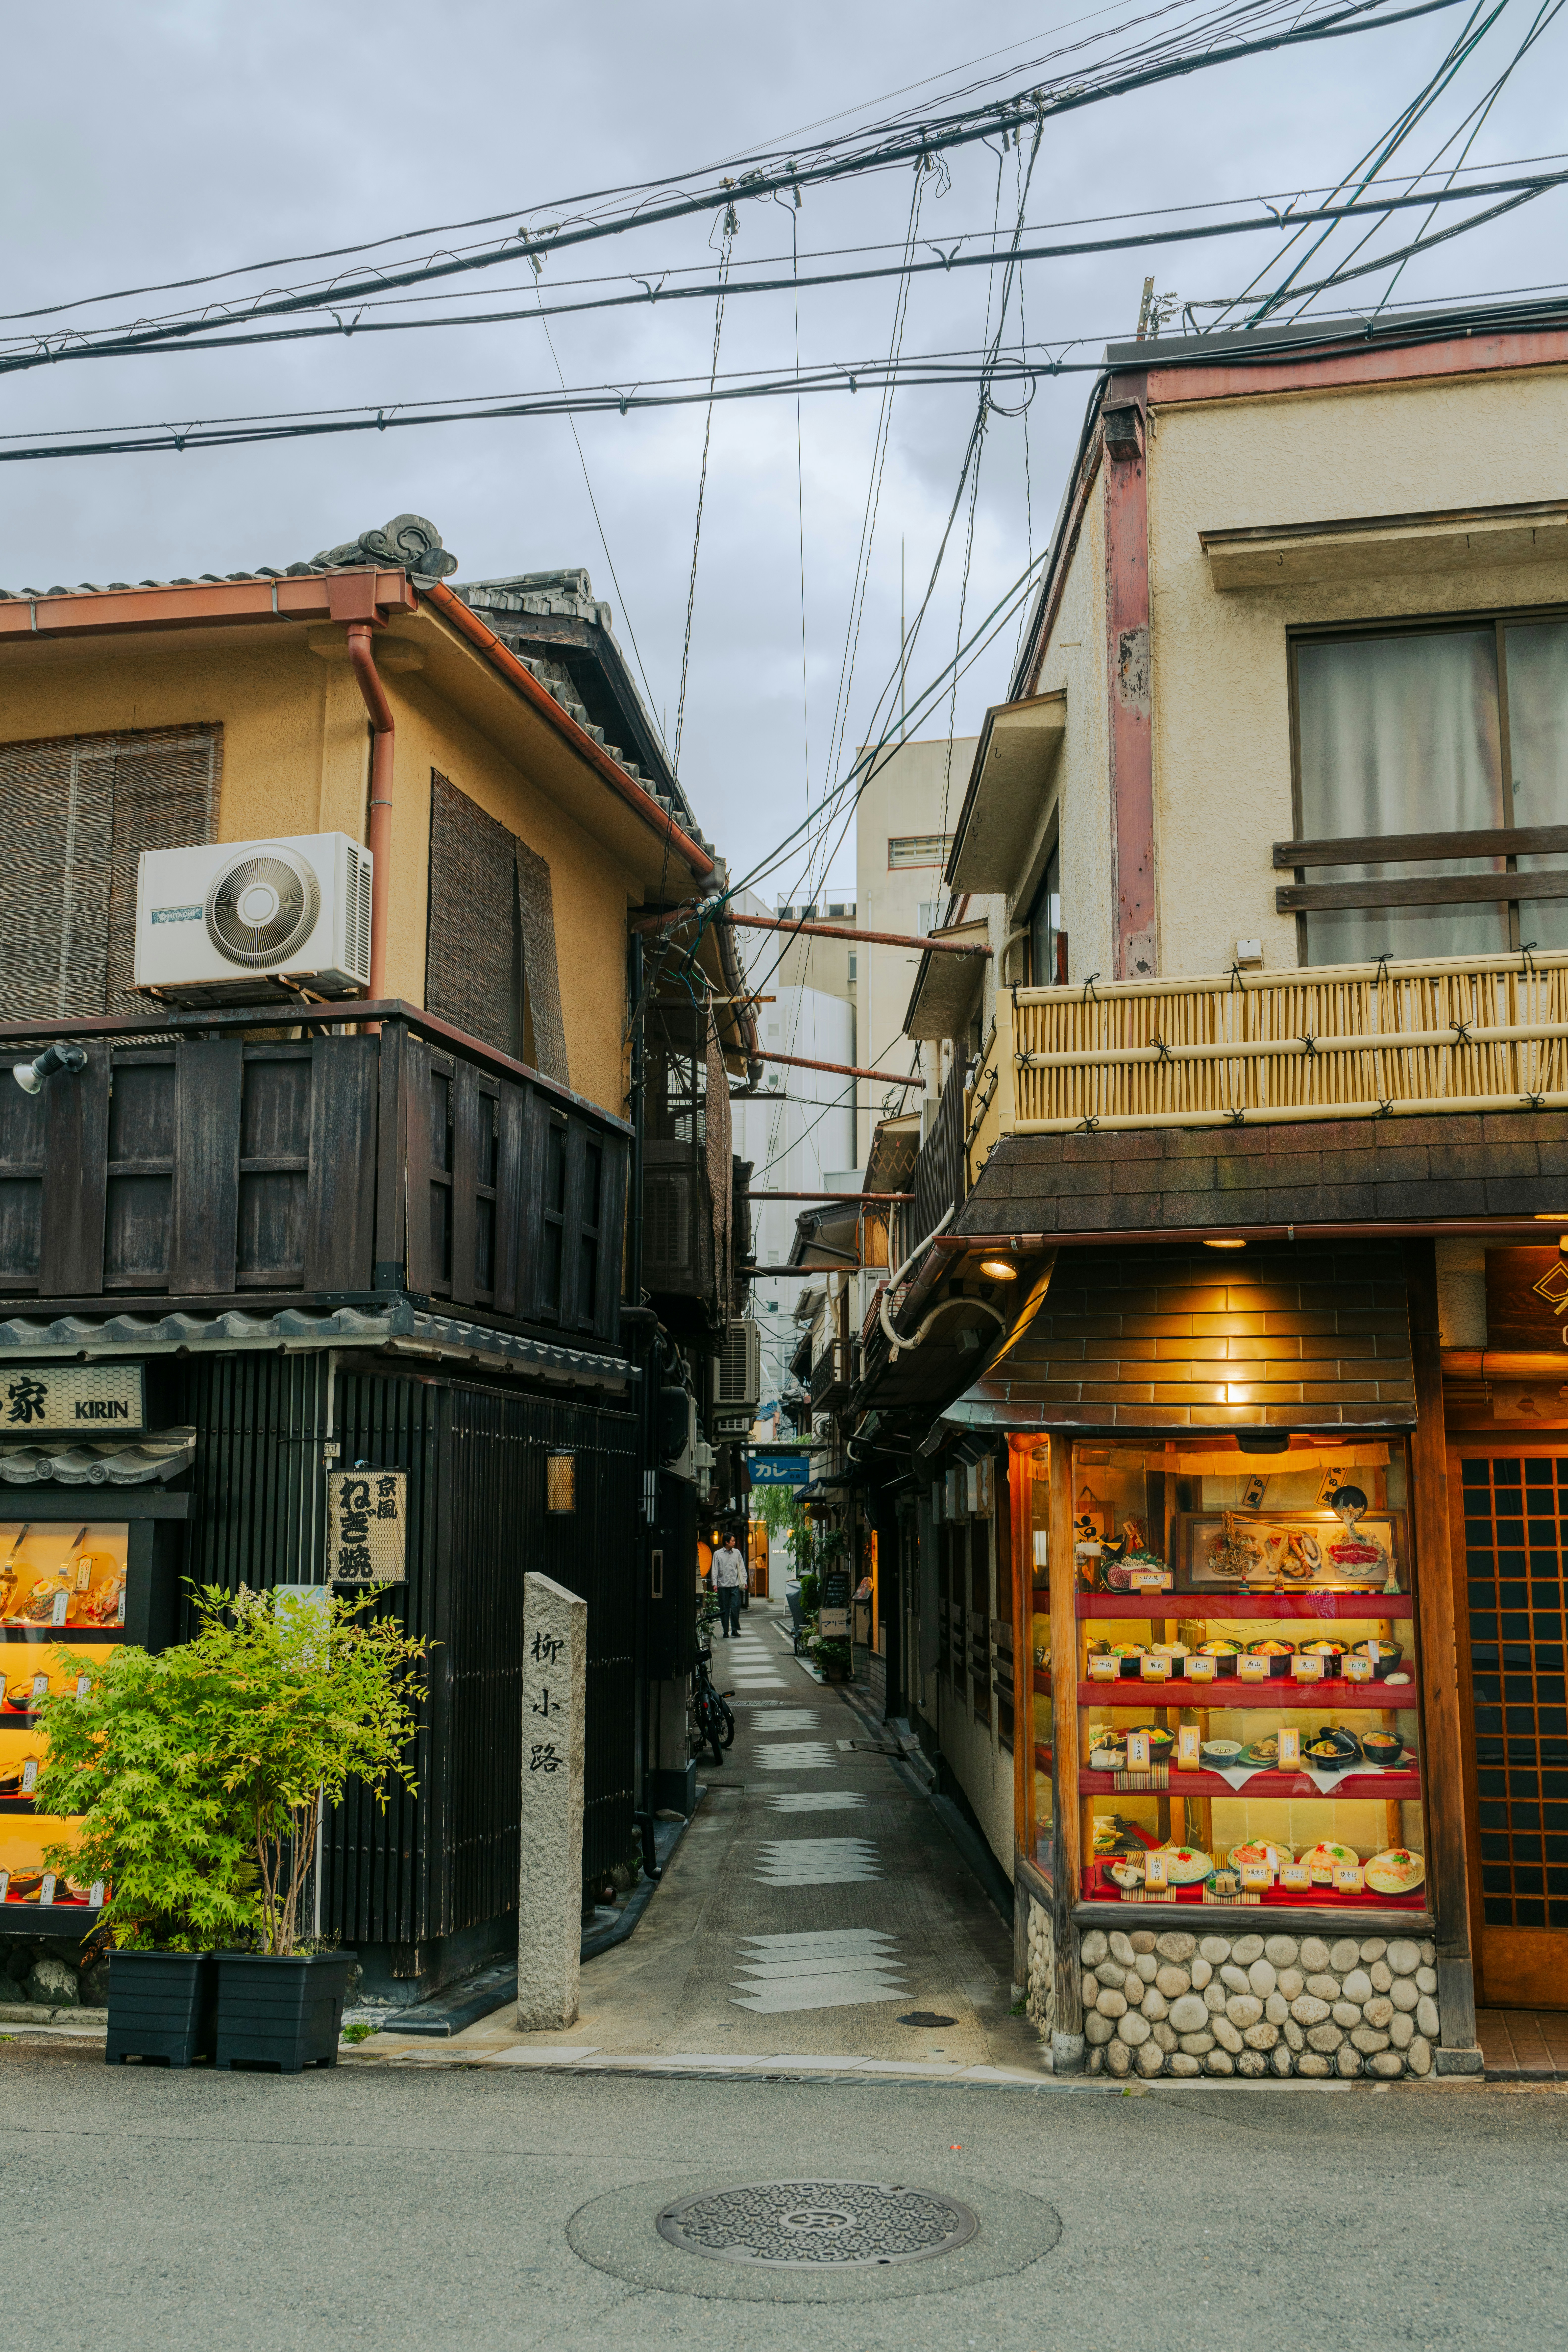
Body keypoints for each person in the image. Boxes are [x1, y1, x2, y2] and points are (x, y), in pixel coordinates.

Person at [710, 1530, 748, 1638]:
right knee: (724, 1609)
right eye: (733, 1541)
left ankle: (735, 1630)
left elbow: (742, 1568)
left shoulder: (737, 1553)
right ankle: (726, 1631)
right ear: (727, 1542)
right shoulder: (718, 1554)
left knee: (736, 1607)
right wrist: (715, 1584)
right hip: (723, 1586)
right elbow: (715, 1570)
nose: (734, 1543)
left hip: (735, 1585)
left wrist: (744, 1581)